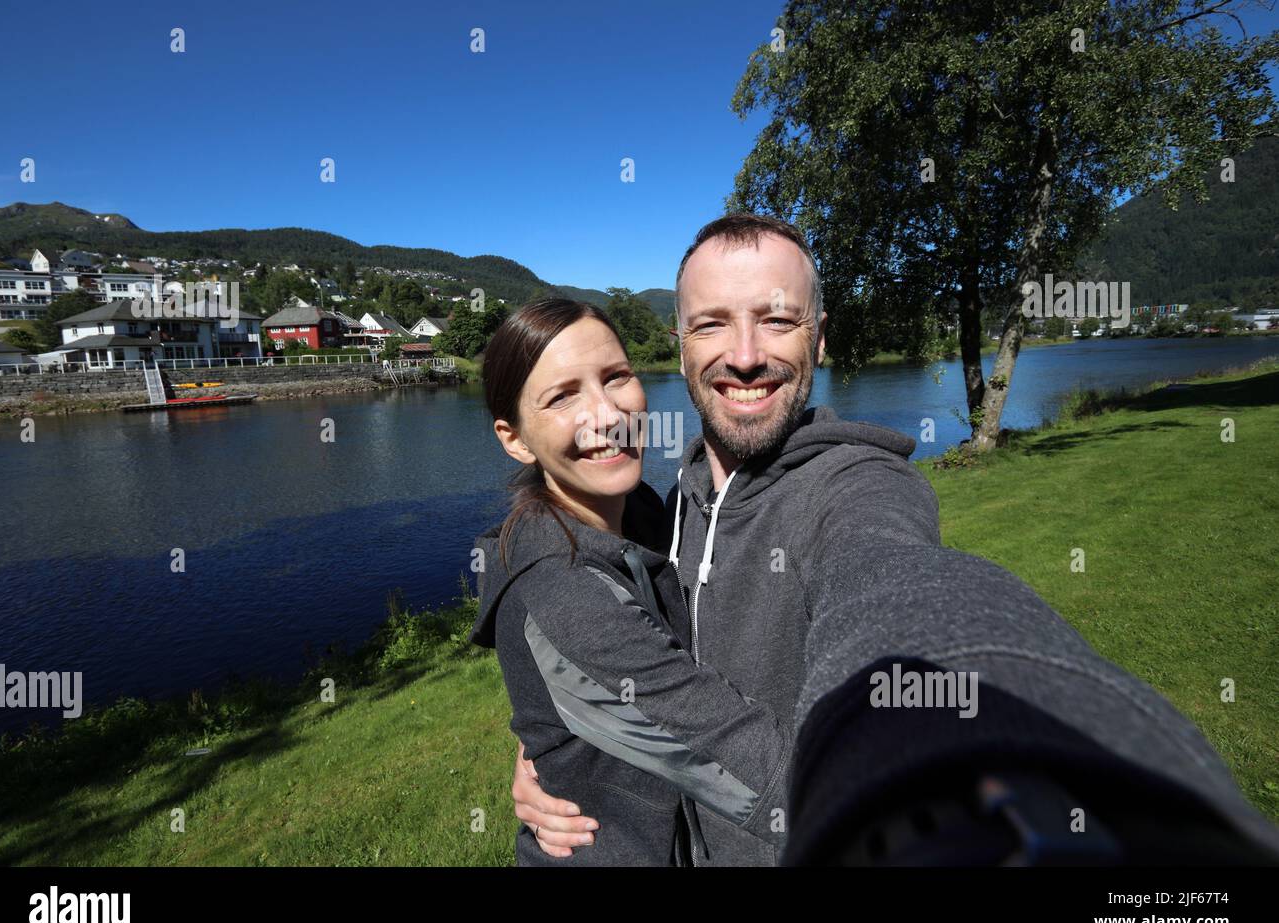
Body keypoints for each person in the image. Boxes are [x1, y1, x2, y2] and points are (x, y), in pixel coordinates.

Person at [510, 212, 1279, 866]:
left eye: (778, 319)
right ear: (681, 344)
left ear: (819, 340)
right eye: (713, 323)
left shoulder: (855, 486)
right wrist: (568, 747)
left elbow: (892, 580)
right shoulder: (676, 503)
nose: (744, 354)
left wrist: (1011, 766)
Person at [468, 298, 793, 865]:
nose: (607, 415)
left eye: (616, 377)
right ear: (514, 437)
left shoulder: (636, 506)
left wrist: (542, 743)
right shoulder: (560, 588)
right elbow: (740, 763)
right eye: (563, 396)